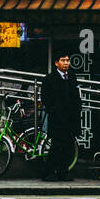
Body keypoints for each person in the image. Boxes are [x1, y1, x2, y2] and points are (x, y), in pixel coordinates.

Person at [39, 51, 80, 182]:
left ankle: (64, 171)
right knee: (56, 145)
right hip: (57, 118)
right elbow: (45, 97)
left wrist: (78, 108)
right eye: (63, 60)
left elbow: (75, 96)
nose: (66, 63)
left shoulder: (72, 77)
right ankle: (49, 172)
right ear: (56, 63)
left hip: (70, 117)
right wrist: (53, 110)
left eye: (67, 60)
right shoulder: (49, 78)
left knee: (68, 145)